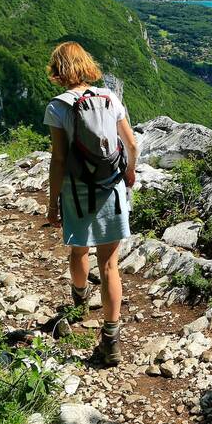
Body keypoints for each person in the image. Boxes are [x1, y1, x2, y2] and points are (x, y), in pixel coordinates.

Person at [44, 41, 138, 366]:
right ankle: (111, 341)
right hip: (111, 189)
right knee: (110, 266)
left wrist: (53, 203)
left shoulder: (57, 107)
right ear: (86, 65)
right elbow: (132, 145)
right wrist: (129, 174)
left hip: (77, 192)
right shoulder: (110, 97)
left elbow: (58, 159)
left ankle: (80, 301)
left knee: (79, 251)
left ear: (58, 71)